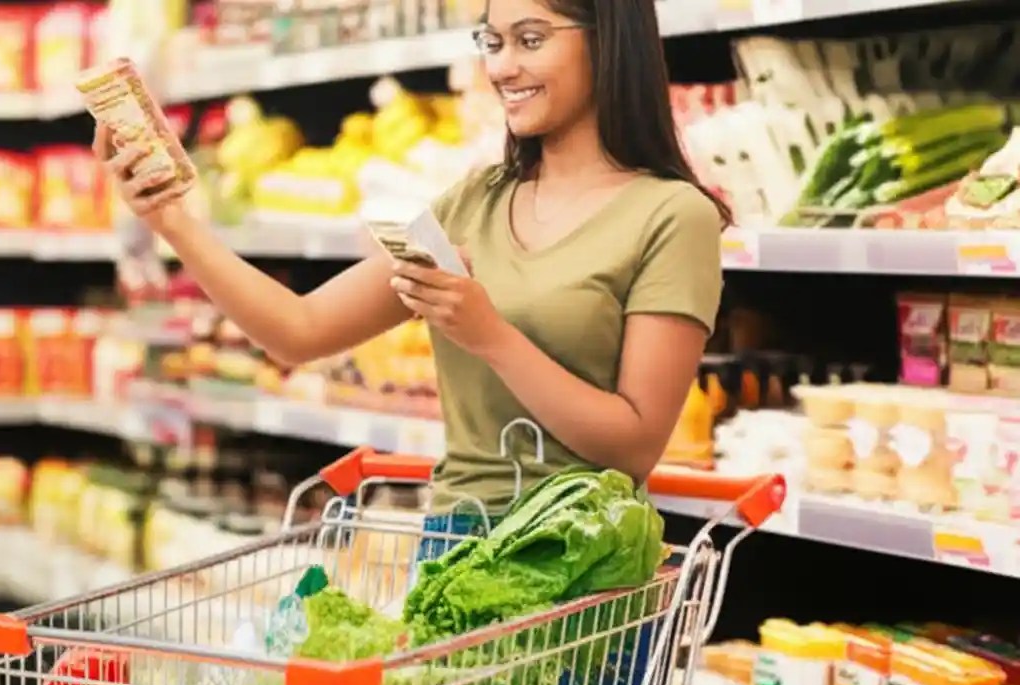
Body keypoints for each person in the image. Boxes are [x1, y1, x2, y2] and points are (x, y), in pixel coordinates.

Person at [97, 0, 725, 550]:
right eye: (493, 41)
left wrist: (488, 335)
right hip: (455, 548)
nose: (503, 67)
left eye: (531, 40)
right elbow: (299, 329)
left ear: (606, 41)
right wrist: (173, 220)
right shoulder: (474, 201)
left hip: (586, 570)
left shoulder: (673, 216)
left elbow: (635, 444)